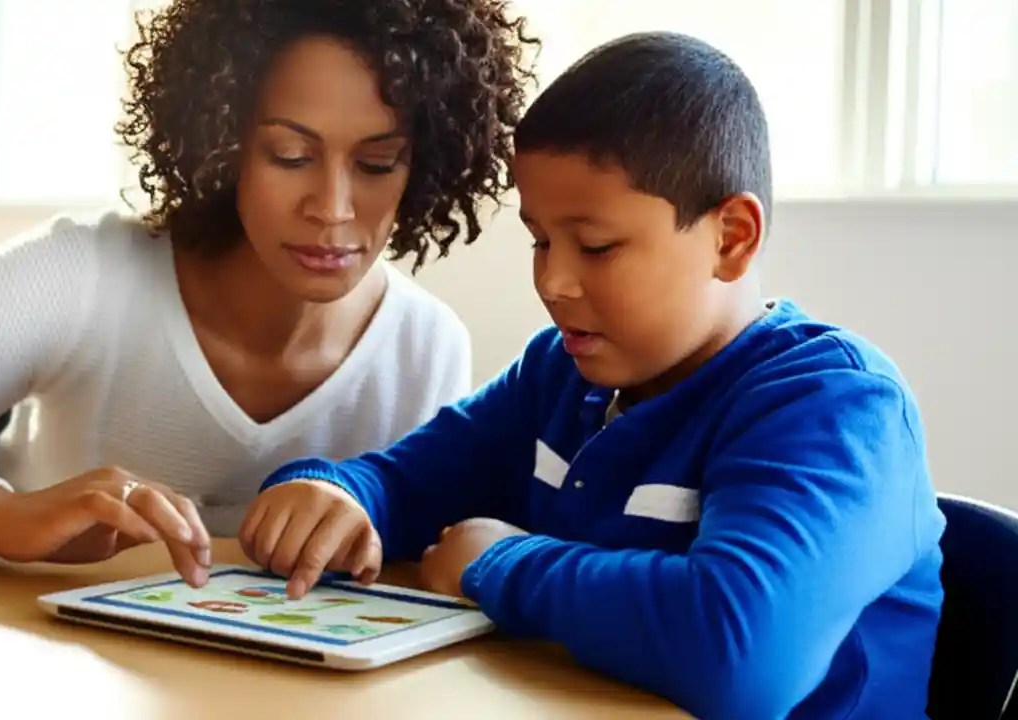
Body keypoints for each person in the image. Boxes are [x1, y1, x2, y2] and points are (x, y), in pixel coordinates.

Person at [241, 32, 945, 719]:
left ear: (731, 238)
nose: (553, 281)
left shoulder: (835, 406)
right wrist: (336, 496)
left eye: (598, 247)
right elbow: (409, 481)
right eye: (541, 240)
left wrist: (505, 565)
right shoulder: (561, 373)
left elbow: (740, 655)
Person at [0, 0, 536, 591]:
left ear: (428, 165)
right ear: (221, 145)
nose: (333, 208)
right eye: (290, 155)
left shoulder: (428, 344)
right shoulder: (82, 276)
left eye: (376, 163)